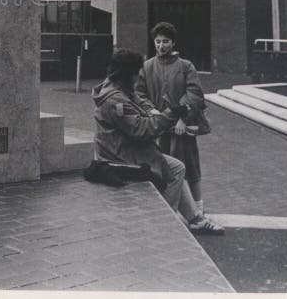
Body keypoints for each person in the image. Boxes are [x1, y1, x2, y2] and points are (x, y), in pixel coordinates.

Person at [92, 48, 223, 234]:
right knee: (175, 170)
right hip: (121, 154)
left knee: (175, 166)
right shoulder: (116, 100)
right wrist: (170, 114)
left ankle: (195, 219)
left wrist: (152, 111)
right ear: (127, 74)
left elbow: (138, 100)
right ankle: (162, 221)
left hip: (120, 147)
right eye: (136, 73)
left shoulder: (116, 87)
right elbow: (143, 130)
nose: (138, 77)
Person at [136, 21, 210, 216]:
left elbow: (194, 94)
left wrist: (183, 119)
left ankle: (198, 208)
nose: (161, 46)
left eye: (166, 41)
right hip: (158, 127)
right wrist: (151, 111)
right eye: (158, 41)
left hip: (181, 128)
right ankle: (170, 207)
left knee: (191, 166)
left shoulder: (186, 66)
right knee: (163, 167)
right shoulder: (147, 66)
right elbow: (140, 93)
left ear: (174, 43)